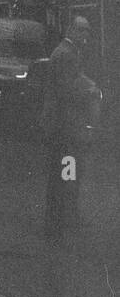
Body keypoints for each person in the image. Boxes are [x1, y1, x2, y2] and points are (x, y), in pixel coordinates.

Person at [40, 16, 99, 240]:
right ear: (72, 30)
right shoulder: (66, 54)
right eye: (82, 30)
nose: (85, 36)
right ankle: (61, 220)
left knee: (64, 173)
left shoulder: (65, 51)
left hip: (60, 127)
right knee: (67, 172)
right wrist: (90, 90)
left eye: (88, 31)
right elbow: (68, 88)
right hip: (65, 128)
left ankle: (61, 218)